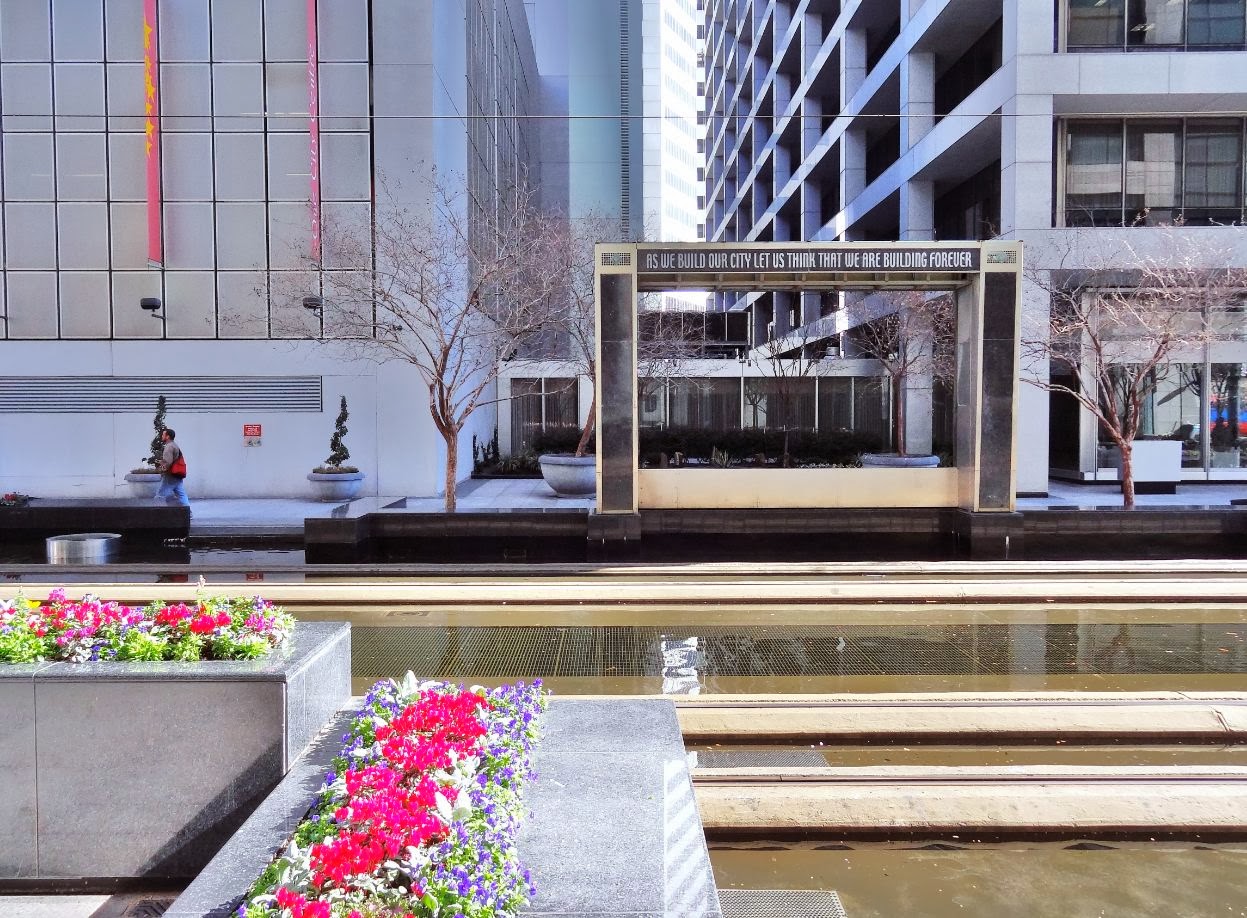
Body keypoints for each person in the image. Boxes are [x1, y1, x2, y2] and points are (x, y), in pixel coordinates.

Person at [156, 427, 190, 508]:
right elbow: (173, 459)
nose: (162, 436)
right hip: (177, 474)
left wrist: (161, 470)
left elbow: (168, 462)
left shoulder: (169, 446)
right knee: (181, 495)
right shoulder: (174, 445)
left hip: (170, 475)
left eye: (163, 435)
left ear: (167, 436)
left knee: (160, 496)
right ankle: (188, 513)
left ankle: (155, 513)